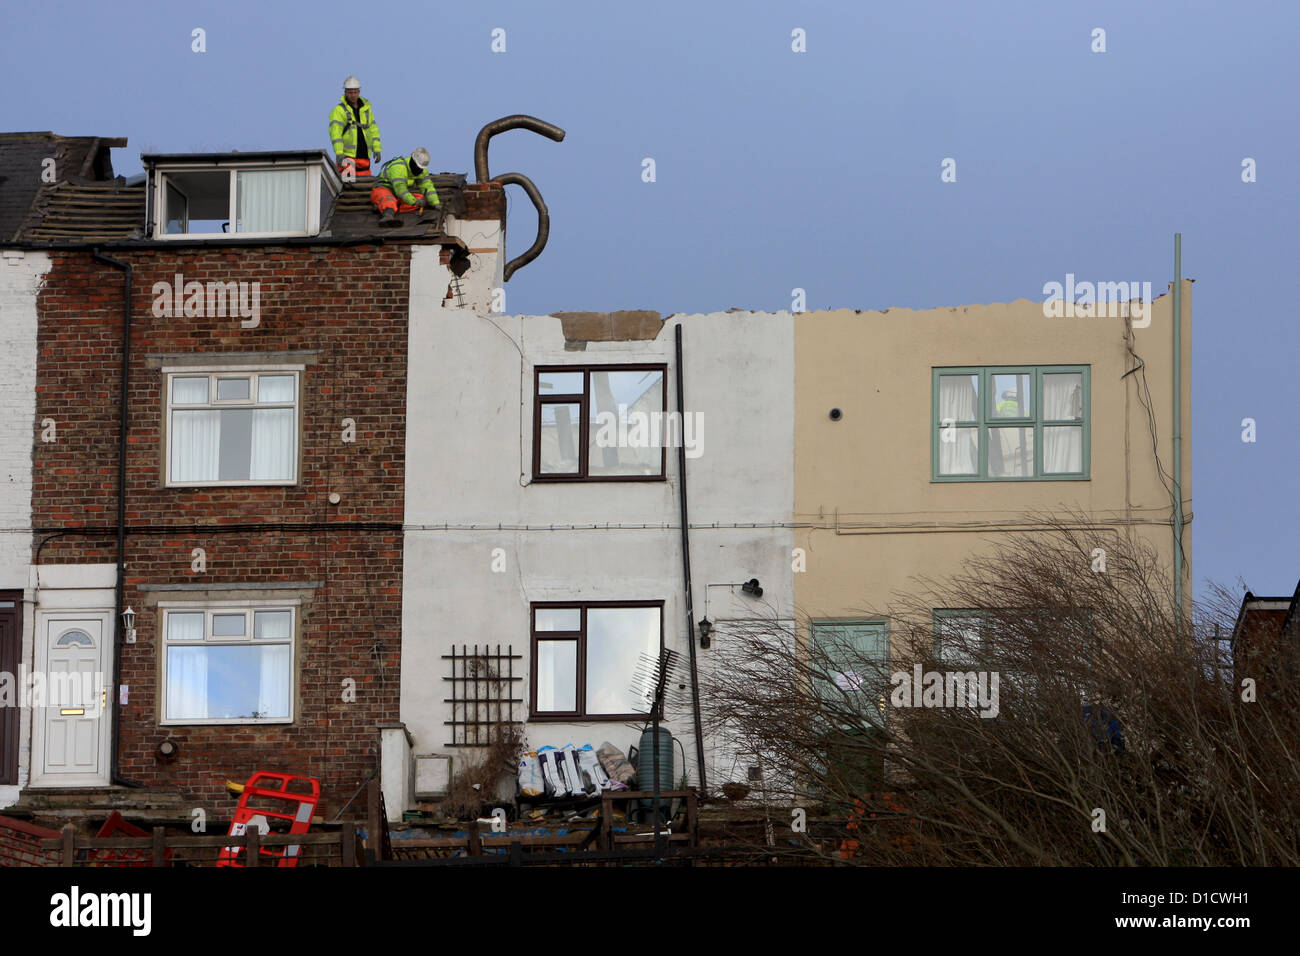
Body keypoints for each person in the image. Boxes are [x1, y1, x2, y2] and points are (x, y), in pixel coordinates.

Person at [370, 148, 440, 226]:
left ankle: (384, 206)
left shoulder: (421, 171)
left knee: (419, 198)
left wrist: (435, 203)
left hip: (399, 195)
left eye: (421, 168)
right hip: (384, 188)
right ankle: (387, 217)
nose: (419, 170)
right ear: (413, 162)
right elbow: (401, 190)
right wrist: (415, 202)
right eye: (418, 167)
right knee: (388, 200)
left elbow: (428, 186)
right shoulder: (398, 168)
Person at [329, 76, 381, 177]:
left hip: (364, 158)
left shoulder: (366, 110)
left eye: (355, 92)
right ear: (345, 92)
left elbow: (374, 130)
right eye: (350, 92)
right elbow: (336, 134)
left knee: (365, 189)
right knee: (349, 188)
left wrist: (377, 148)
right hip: (347, 158)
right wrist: (339, 152)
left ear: (359, 92)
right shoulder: (339, 110)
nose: (353, 95)